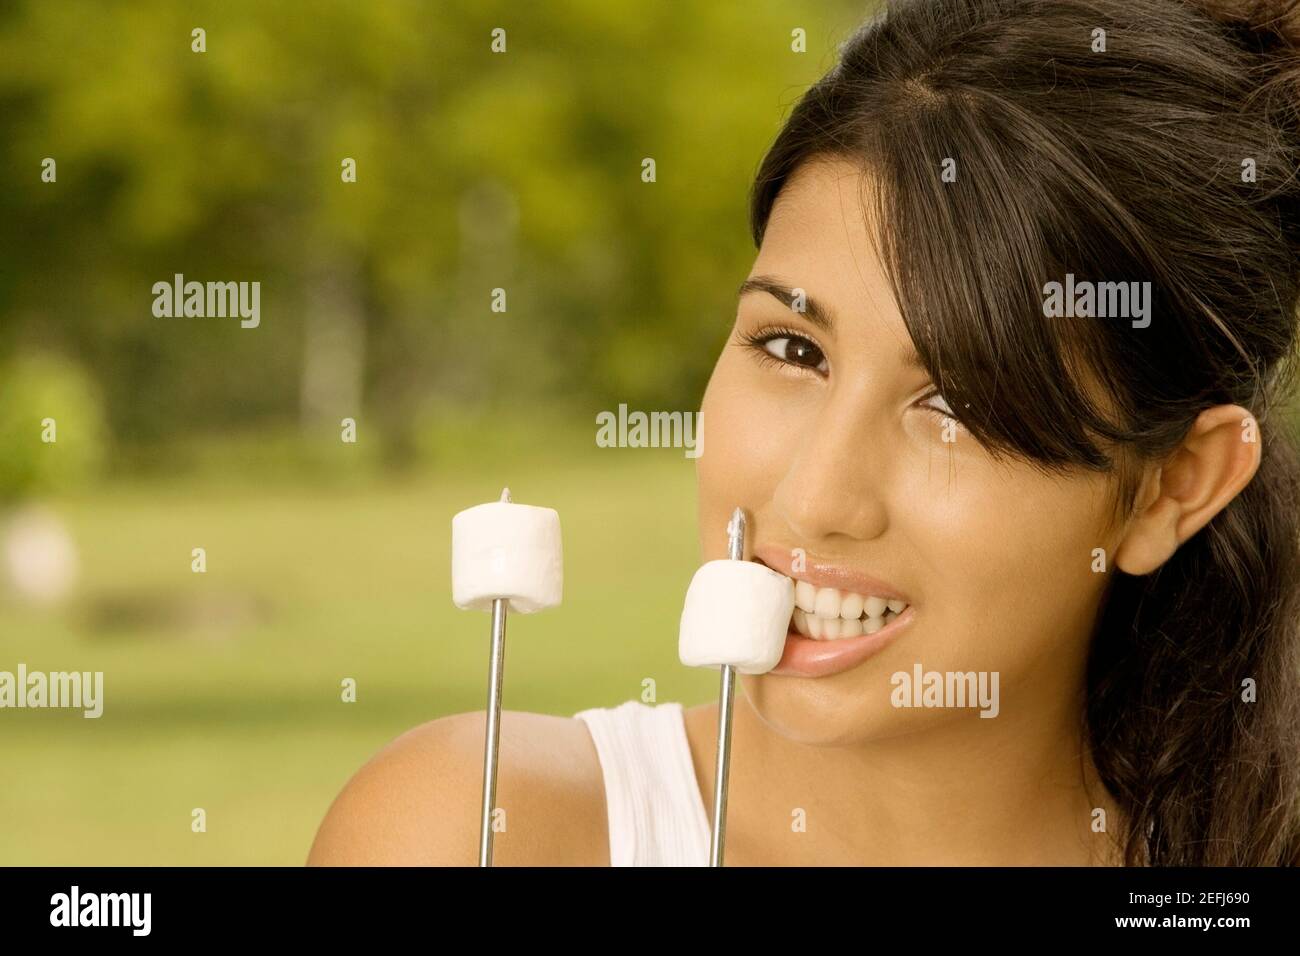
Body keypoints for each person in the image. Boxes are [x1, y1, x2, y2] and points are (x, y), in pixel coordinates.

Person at [308, 0, 1300, 866]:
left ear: (1176, 483)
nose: (813, 496)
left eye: (956, 404)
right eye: (792, 349)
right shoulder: (476, 826)